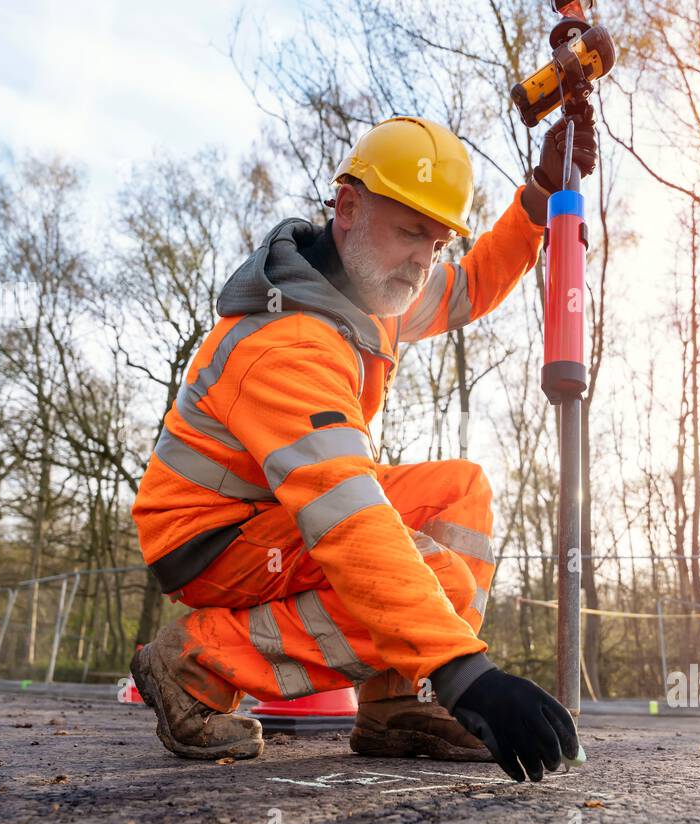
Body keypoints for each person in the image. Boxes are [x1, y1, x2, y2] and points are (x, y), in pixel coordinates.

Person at [129, 105, 597, 783]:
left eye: (436, 241)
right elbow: (350, 525)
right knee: (420, 574)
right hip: (214, 540)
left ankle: (399, 704)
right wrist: (467, 673)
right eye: (412, 232)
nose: (424, 260)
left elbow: (470, 285)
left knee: (458, 490)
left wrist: (539, 191)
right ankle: (195, 663)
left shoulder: (373, 288)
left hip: (273, 516)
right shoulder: (286, 342)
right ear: (346, 207)